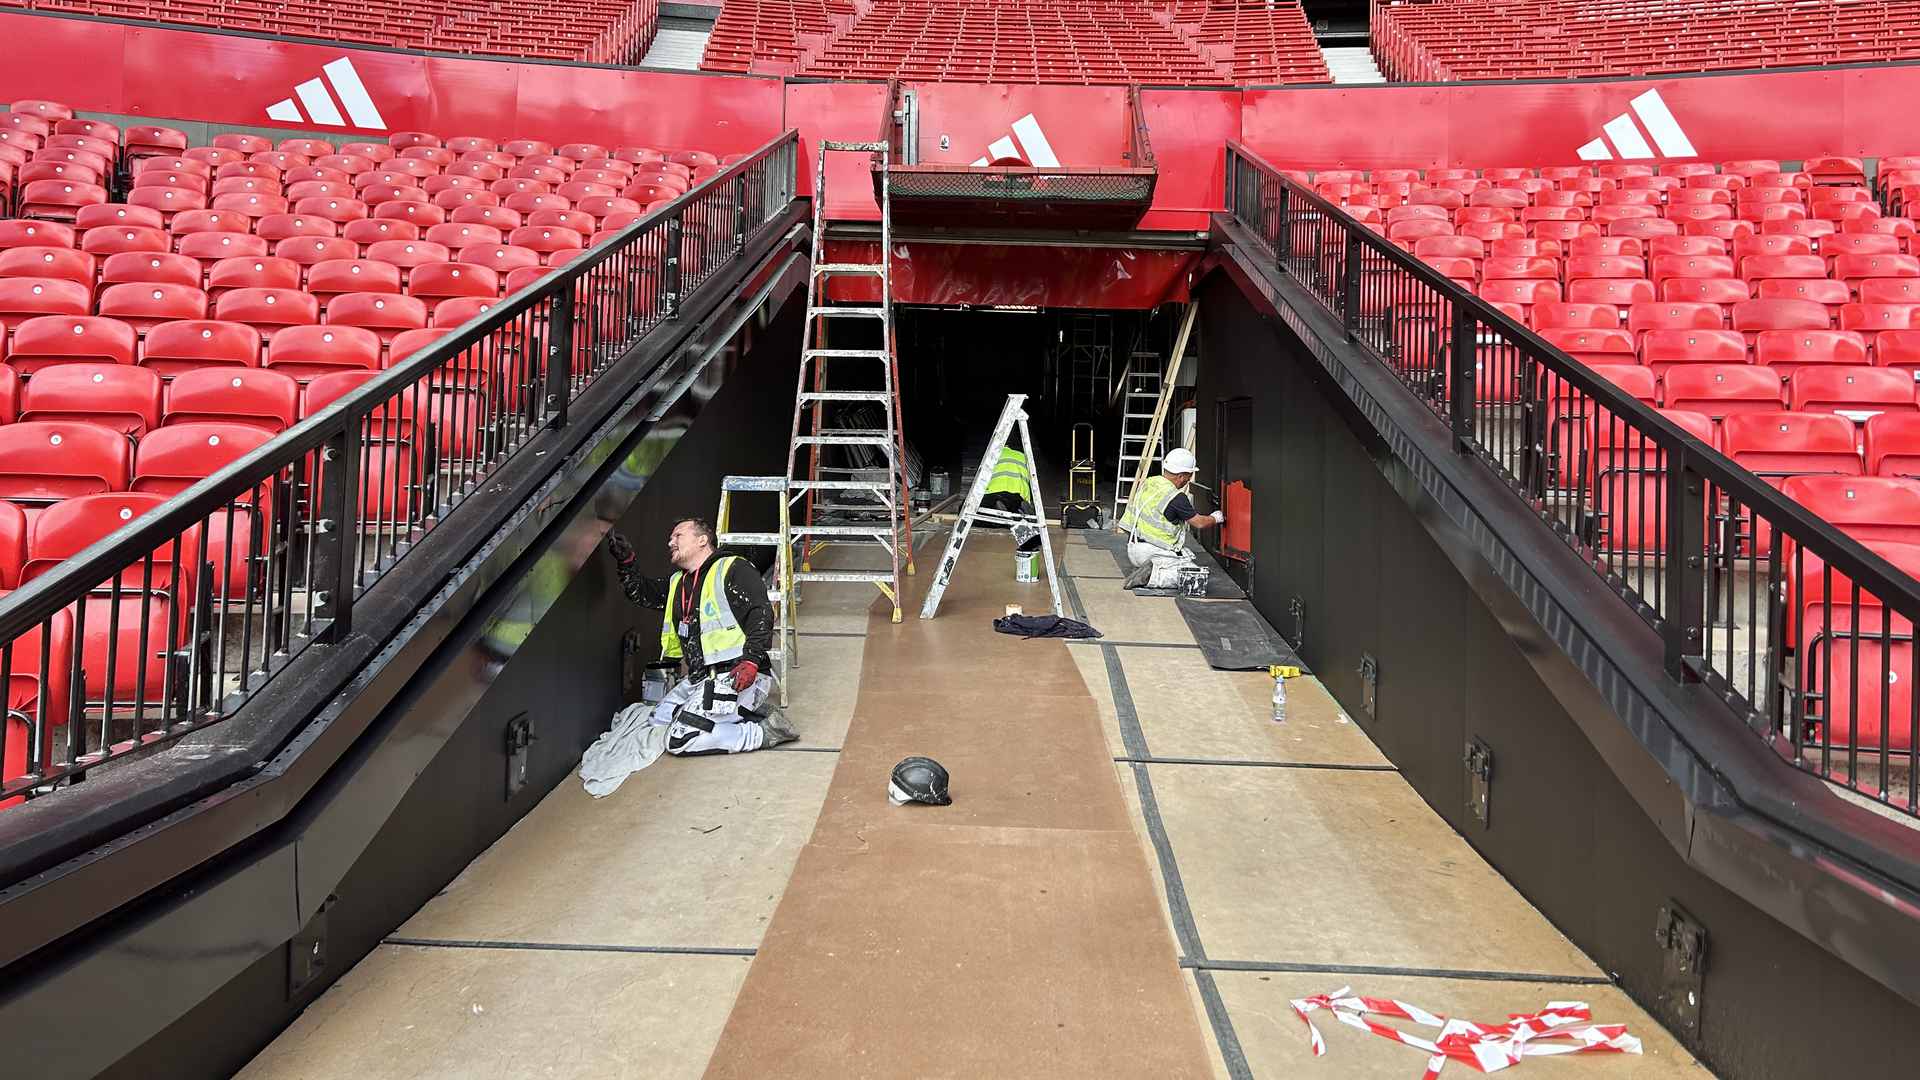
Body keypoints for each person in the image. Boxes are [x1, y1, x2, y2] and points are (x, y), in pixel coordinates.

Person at [605, 517, 796, 754]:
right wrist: (627, 562)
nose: (670, 542)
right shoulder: (678, 582)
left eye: (678, 536)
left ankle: (762, 732)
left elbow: (761, 612)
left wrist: (751, 660)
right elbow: (642, 593)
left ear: (702, 540)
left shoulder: (733, 568)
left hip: (738, 675)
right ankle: (730, 716)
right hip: (700, 679)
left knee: (679, 740)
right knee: (657, 721)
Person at [1118, 447, 1224, 589]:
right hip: (1154, 553)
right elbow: (1199, 523)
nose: (1189, 480)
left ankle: (1149, 569)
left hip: (1134, 548)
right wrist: (1215, 518)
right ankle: (1151, 577)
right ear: (1180, 476)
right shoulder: (1175, 497)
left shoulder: (1150, 483)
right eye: (1189, 475)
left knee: (1186, 557)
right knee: (1194, 576)